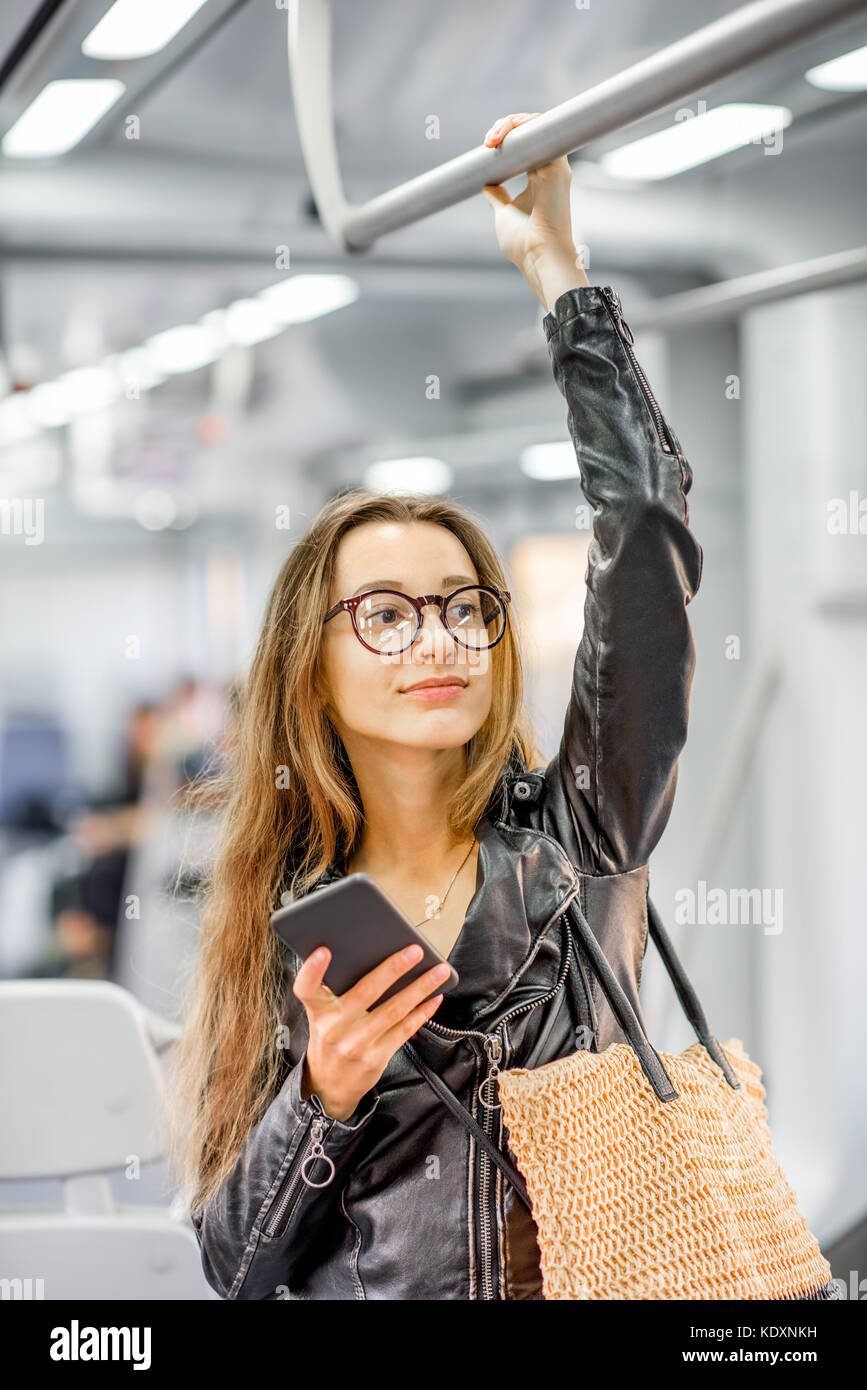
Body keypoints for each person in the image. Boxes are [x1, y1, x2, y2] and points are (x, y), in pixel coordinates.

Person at [169, 112, 701, 1300]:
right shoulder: (290, 917)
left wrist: (556, 275)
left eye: (466, 606)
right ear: (312, 665)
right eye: (389, 614)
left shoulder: (581, 838)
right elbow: (233, 1267)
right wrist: (325, 1100)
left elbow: (649, 535)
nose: (441, 640)